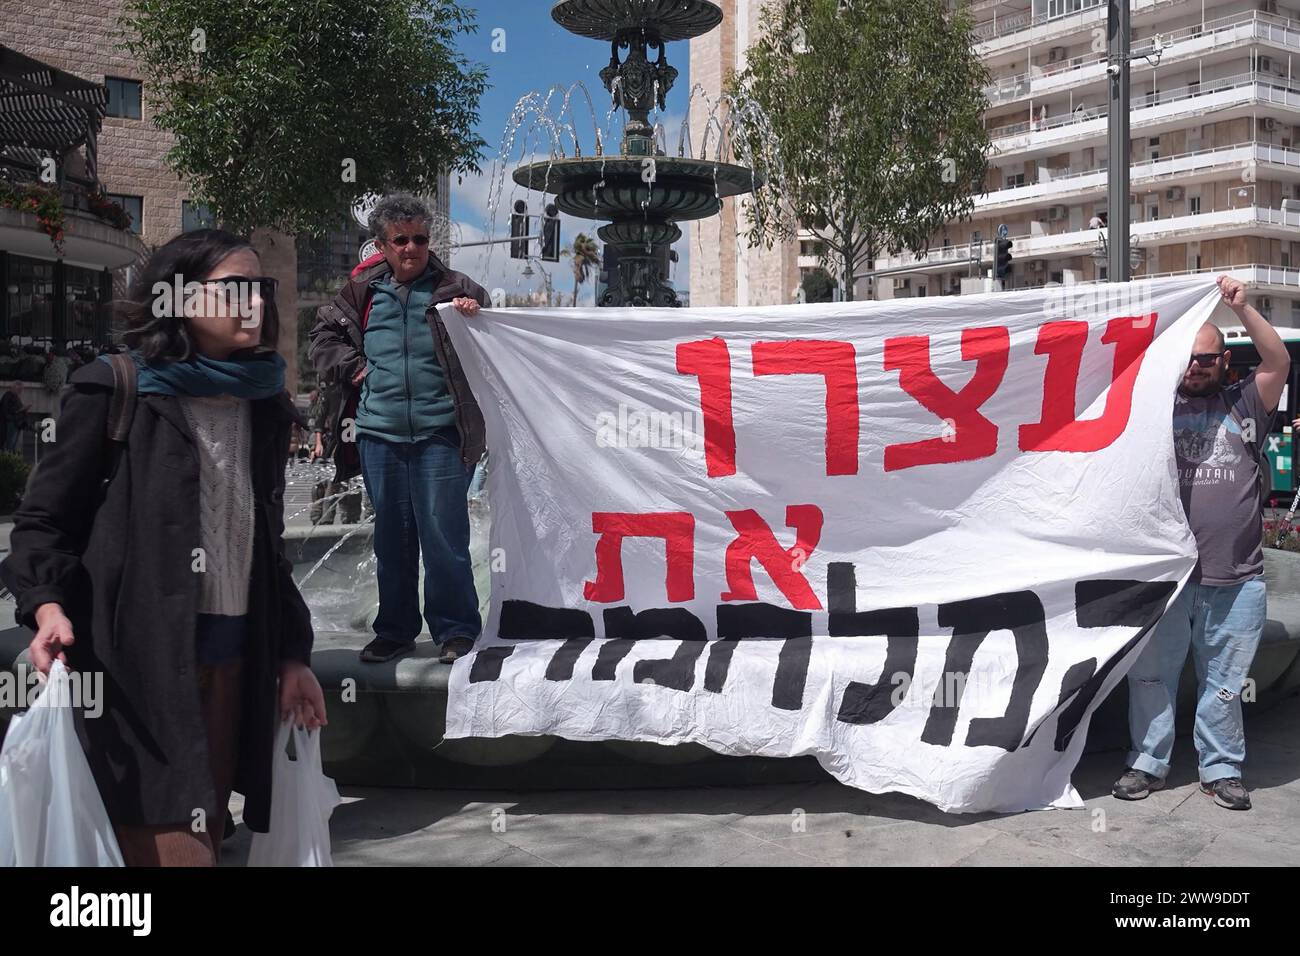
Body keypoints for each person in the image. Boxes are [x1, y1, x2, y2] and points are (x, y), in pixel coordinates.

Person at [0, 229, 327, 865]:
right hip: (135, 679)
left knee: (204, 837)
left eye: (260, 290)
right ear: (175, 299)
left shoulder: (263, 403)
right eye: (233, 290)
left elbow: (265, 544)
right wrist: (45, 606)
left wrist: (293, 655)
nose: (254, 305)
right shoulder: (115, 389)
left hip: (234, 671)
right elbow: (43, 521)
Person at [1113, 275, 1289, 811]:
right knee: (1150, 678)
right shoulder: (1153, 407)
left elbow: (1278, 362)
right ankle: (1147, 762)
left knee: (1224, 683)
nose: (1195, 367)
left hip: (1235, 580)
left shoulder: (1246, 404)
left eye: (1207, 359)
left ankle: (1221, 769)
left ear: (1225, 364)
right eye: (1188, 359)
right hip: (1169, 580)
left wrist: (1242, 307)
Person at [309, 194, 486, 665]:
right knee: (392, 538)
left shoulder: (457, 287)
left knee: (444, 536)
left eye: (420, 239)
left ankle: (456, 631)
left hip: (441, 435)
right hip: (380, 436)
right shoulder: (362, 292)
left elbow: (494, 343)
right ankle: (395, 631)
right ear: (383, 245)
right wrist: (353, 367)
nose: (412, 248)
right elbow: (321, 337)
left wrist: (476, 316)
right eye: (401, 240)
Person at [308, 384, 362, 525]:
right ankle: (324, 519)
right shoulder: (331, 393)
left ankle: (350, 517)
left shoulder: (359, 390)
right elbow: (319, 420)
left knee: (352, 483)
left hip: (353, 443)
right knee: (331, 482)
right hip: (334, 444)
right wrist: (318, 443)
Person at [0, 382, 27, 453]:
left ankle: (9, 458)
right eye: (19, 389)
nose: (20, 391)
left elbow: (18, 408)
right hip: (11, 423)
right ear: (14, 388)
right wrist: (17, 411)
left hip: (16, 423)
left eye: (21, 390)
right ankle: (8, 458)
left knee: (12, 444)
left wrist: (24, 410)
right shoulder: (7, 396)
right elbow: (5, 410)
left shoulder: (16, 397)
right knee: (10, 444)